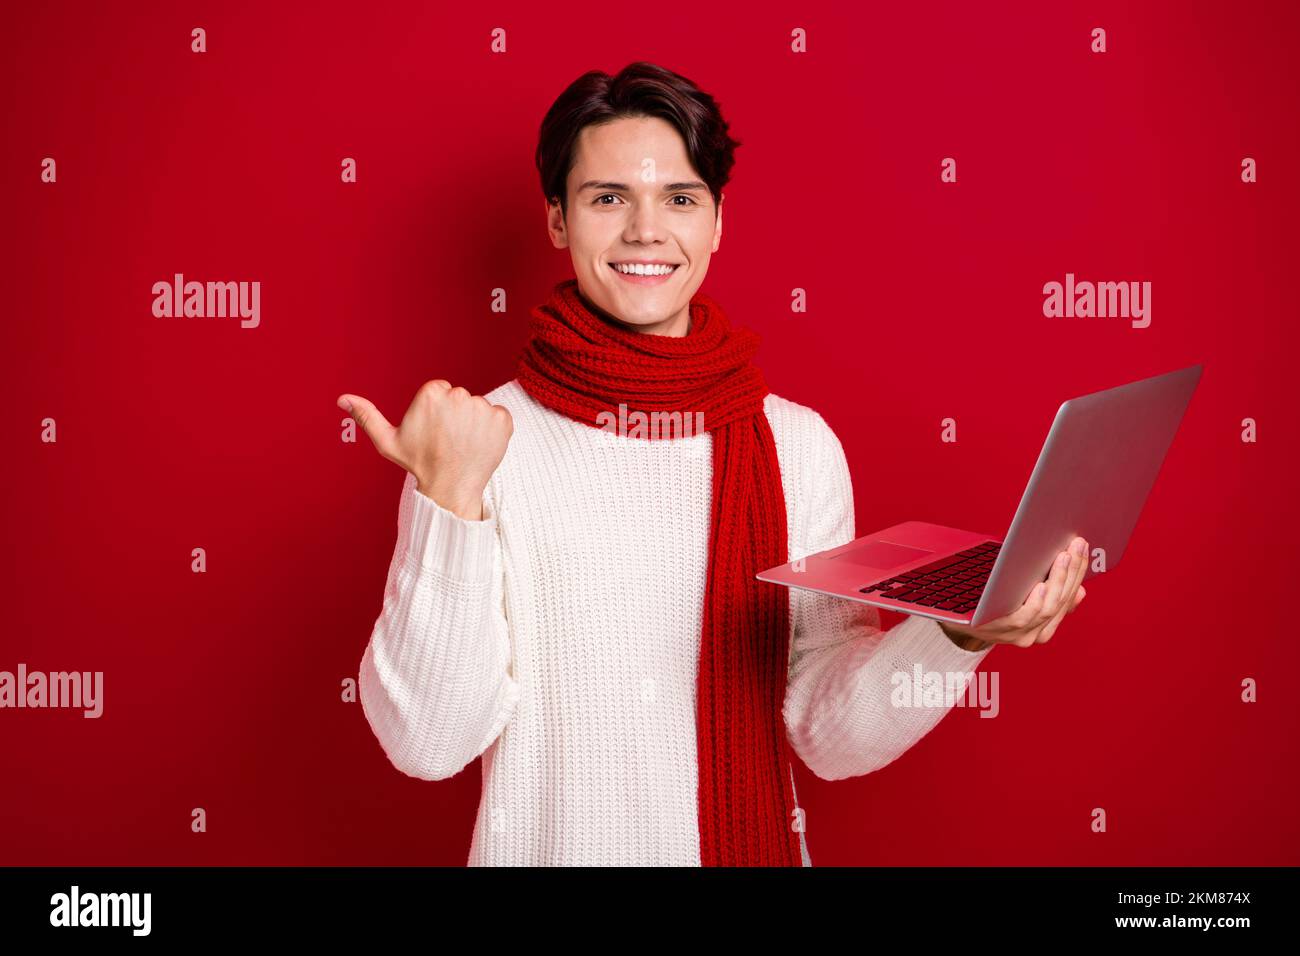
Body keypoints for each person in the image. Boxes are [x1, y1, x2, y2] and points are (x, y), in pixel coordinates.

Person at [338, 61, 1087, 867]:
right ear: (557, 220)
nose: (645, 231)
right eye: (607, 197)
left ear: (719, 221)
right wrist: (449, 500)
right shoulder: (480, 442)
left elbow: (827, 736)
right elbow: (428, 743)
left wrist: (955, 638)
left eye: (680, 199)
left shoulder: (796, 446)